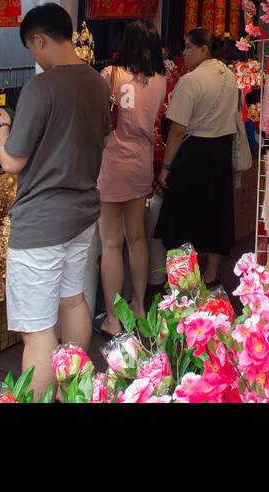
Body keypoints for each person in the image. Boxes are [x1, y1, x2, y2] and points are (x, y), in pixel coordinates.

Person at [0, 3, 108, 400]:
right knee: (74, 301)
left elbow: (12, 160)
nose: (34, 57)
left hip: (41, 222)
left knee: (38, 331)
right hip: (82, 214)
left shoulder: (42, 87)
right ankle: (70, 391)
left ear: (39, 39)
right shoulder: (97, 82)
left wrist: (2, 127)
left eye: (31, 48)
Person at [96, 20, 168, 337]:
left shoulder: (110, 75)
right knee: (136, 238)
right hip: (141, 164)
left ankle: (113, 318)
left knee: (111, 243)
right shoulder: (160, 82)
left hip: (111, 164)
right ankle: (139, 306)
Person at [155, 28, 239, 287]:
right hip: (221, 151)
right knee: (217, 212)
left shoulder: (190, 81)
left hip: (194, 153)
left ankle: (183, 280)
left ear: (204, 49)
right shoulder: (230, 75)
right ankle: (211, 273)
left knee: (182, 215)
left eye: (188, 47)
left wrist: (166, 166)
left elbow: (178, 129)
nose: (184, 53)